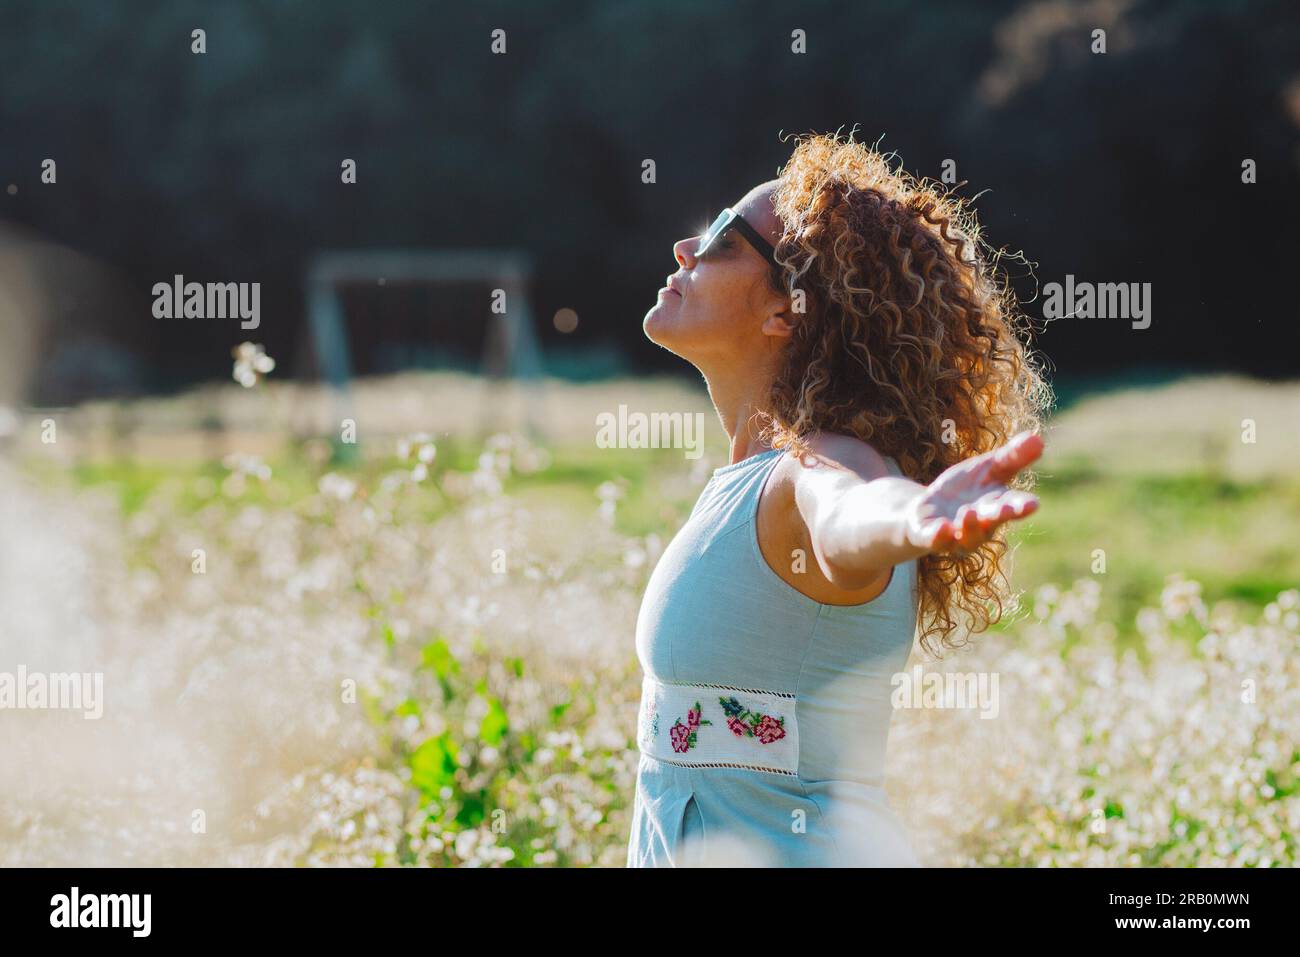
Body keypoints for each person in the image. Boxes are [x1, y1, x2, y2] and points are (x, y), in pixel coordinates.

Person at [627, 131, 1051, 867]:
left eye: (725, 238)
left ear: (785, 314)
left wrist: (907, 514)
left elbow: (848, 511)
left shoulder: (814, 469)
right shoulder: (742, 480)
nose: (684, 248)